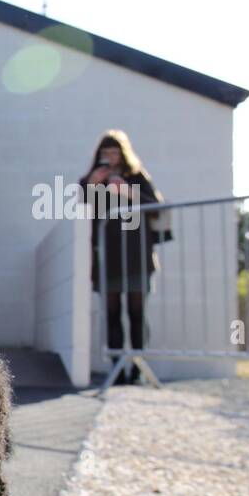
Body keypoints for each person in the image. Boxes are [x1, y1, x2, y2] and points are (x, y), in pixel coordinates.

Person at [79, 130, 168, 384]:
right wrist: (91, 186)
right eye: (106, 152)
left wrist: (129, 192)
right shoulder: (91, 179)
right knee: (112, 312)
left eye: (115, 152)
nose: (111, 157)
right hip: (107, 256)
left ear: (123, 153)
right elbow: (77, 211)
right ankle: (117, 368)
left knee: (136, 312)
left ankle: (137, 369)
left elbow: (157, 207)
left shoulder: (136, 177)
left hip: (136, 255)